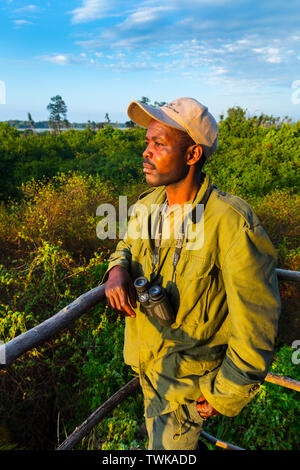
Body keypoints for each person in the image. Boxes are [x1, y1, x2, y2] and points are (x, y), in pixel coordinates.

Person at [102, 97, 281, 450]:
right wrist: (117, 268)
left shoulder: (230, 222)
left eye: (159, 143)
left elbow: (257, 322)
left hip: (188, 389)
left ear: (192, 155)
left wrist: (223, 394)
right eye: (146, 142)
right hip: (149, 371)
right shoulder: (147, 206)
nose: (146, 152)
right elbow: (125, 245)